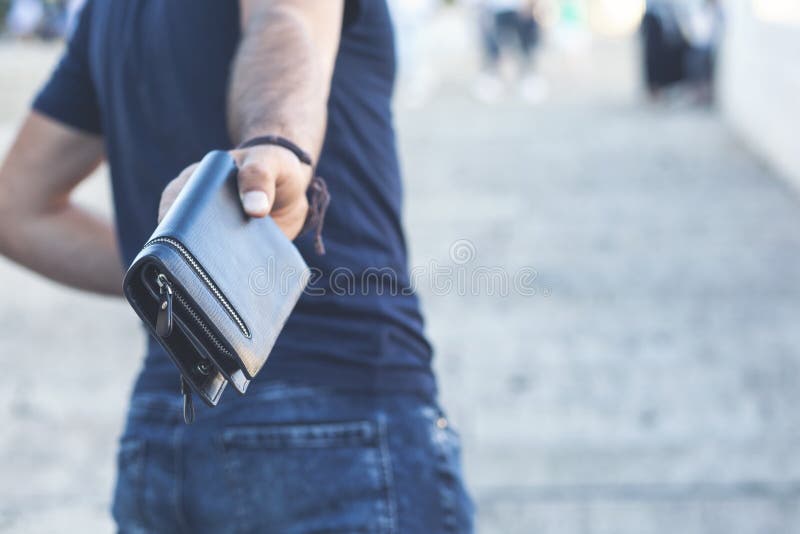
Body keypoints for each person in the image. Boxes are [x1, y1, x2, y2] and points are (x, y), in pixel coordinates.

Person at [0, 1, 474, 532]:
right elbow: (284, 24)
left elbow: (15, 209)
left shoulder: (108, 10)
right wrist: (273, 142)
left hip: (163, 436)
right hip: (337, 414)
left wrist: (181, 279)